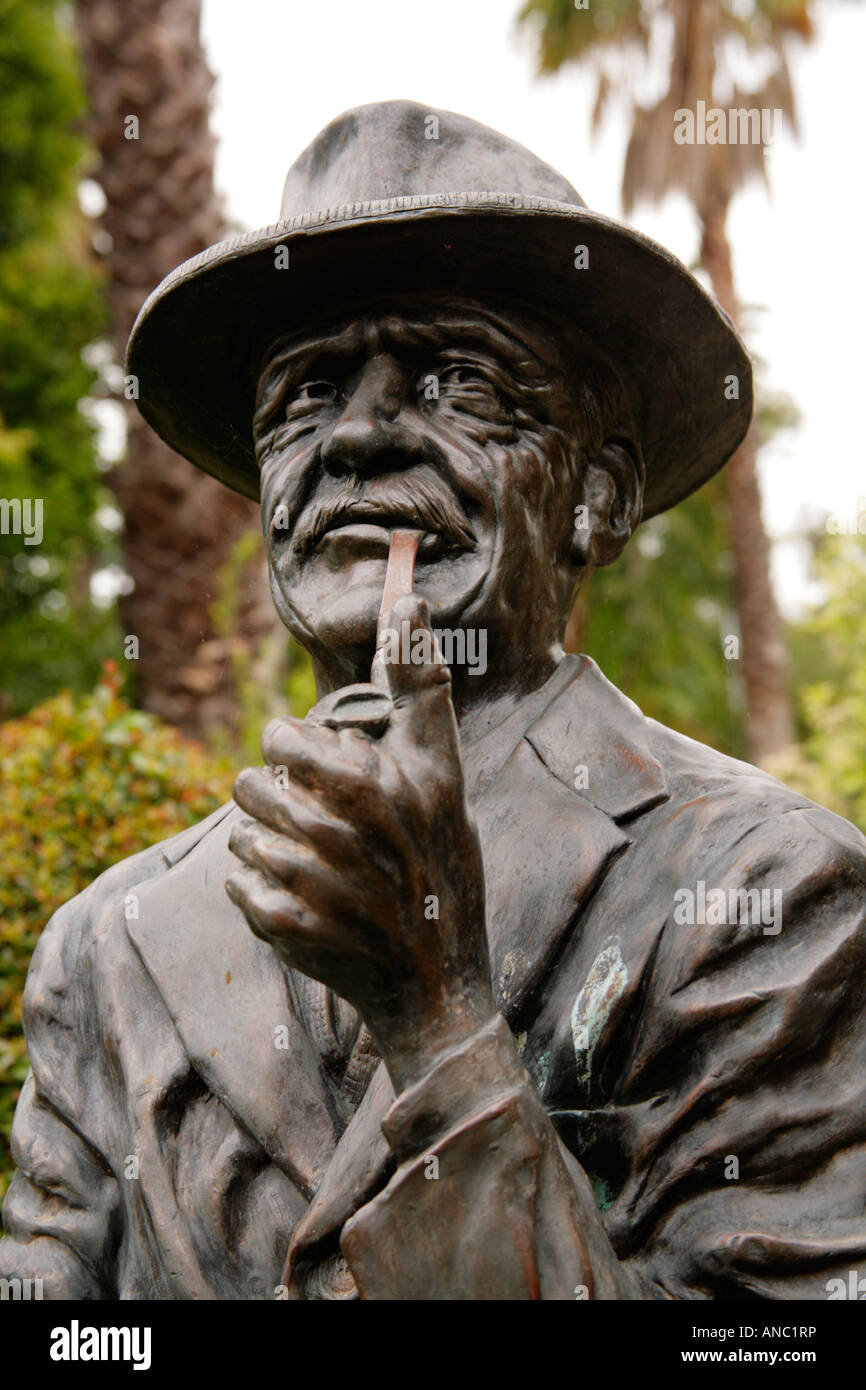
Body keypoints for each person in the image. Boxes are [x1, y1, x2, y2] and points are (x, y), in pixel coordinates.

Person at [2, 101, 865, 1301]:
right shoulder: (105, 948)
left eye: (457, 380)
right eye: (303, 393)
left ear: (596, 498)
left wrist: (442, 1022)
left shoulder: (772, 893)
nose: (355, 433)